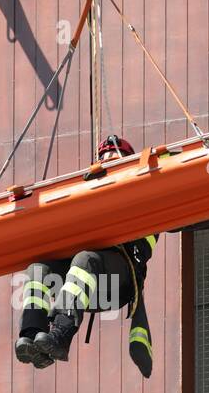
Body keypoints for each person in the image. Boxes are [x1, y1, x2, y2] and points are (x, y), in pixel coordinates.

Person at [14, 135, 158, 378]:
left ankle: (61, 333)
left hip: (118, 281)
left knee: (85, 259)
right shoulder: (90, 193)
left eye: (114, 157)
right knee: (39, 268)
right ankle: (32, 338)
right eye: (103, 158)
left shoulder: (144, 193)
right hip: (85, 285)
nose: (107, 161)